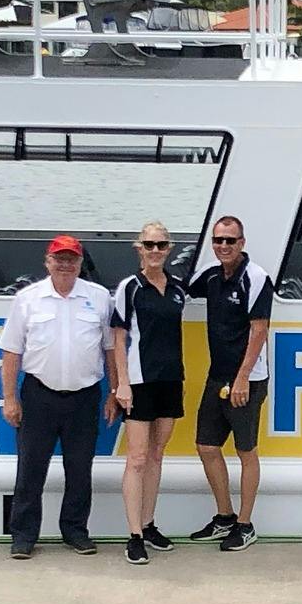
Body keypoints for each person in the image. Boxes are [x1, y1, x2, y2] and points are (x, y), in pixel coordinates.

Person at [0, 235, 118, 559]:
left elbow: (110, 350)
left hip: (84, 397)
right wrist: (10, 399)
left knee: (80, 471)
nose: (65, 265)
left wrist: (114, 393)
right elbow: (11, 352)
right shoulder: (27, 299)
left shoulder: (98, 298)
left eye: (72, 259)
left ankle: (75, 532)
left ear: (80, 263)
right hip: (39, 396)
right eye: (59, 259)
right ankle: (23, 537)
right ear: (47, 262)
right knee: (30, 471)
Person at [189, 214, 272, 551]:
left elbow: (260, 330)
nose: (224, 246)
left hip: (247, 380)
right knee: (207, 446)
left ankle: (246, 524)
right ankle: (224, 517)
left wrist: (241, 378)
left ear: (242, 243)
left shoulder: (256, 277)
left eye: (230, 240)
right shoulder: (210, 276)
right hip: (217, 376)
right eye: (218, 240)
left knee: (245, 451)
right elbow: (180, 289)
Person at [109, 221, 187, 566]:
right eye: (149, 245)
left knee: (157, 454)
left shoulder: (178, 288)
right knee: (137, 458)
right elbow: (119, 338)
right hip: (139, 381)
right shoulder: (129, 287)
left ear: (169, 249)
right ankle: (134, 535)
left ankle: (149, 523)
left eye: (161, 245)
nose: (155, 251)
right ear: (139, 248)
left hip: (170, 380)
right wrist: (122, 383)